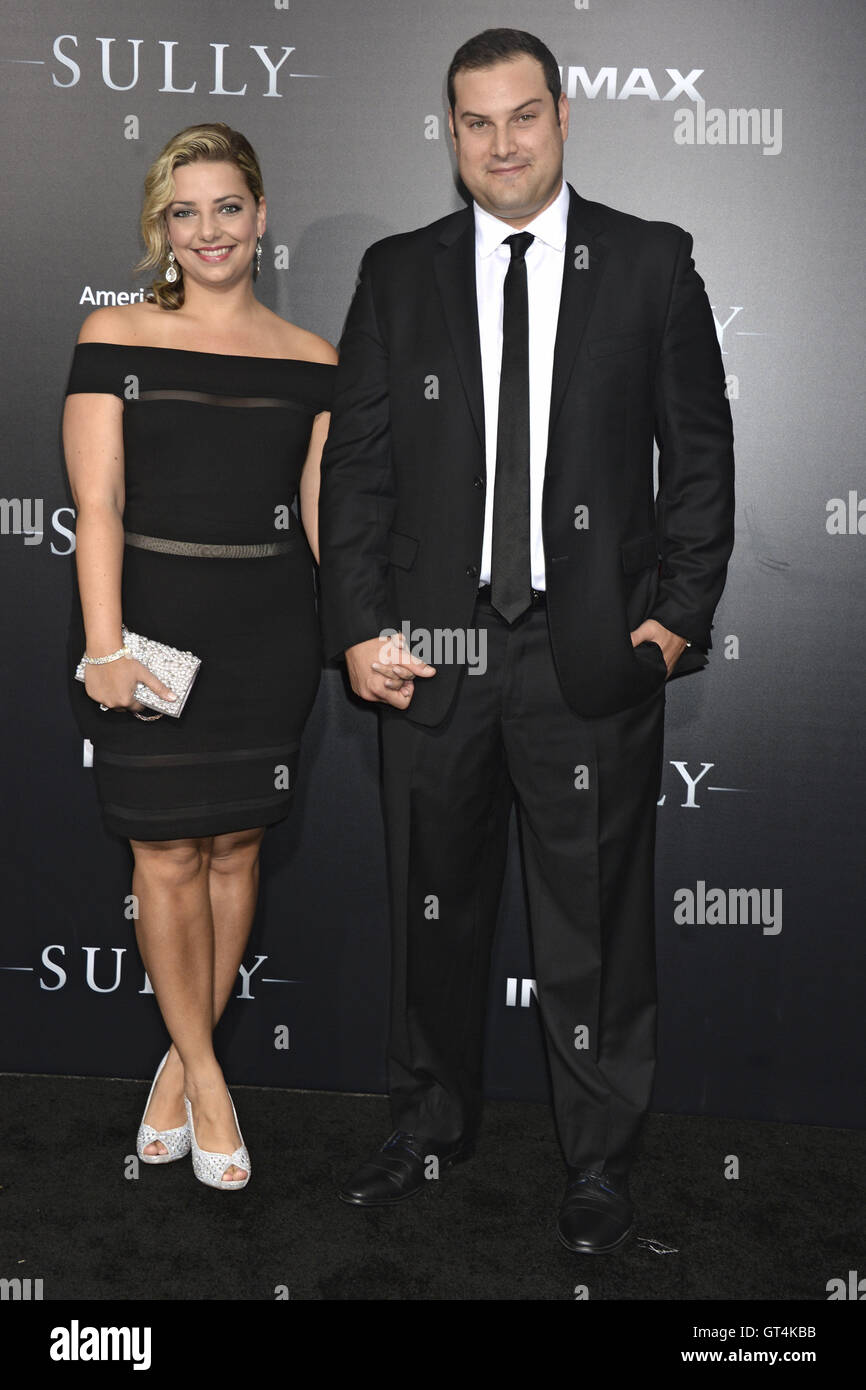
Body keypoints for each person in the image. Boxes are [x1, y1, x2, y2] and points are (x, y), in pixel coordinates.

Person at [318, 29, 734, 1251]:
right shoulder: (397, 272)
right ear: (449, 133)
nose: (499, 144)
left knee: (592, 929)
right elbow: (358, 472)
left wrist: (669, 626)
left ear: (562, 116)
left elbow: (697, 461)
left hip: (585, 655)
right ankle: (427, 1122)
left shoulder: (650, 262)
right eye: (474, 122)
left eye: (521, 117)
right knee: (431, 908)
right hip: (434, 649)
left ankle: (597, 1166)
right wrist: (357, 627)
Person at [63, 123, 336, 1189]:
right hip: (148, 629)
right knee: (166, 858)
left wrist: (357, 625)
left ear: (259, 217)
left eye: (228, 207)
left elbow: (322, 517)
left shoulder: (314, 359)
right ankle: (214, 1082)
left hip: (269, 632)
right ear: (160, 228)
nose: (209, 230)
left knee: (235, 854)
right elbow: (98, 504)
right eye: (186, 211)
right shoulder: (114, 329)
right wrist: (101, 646)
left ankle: (180, 1072)